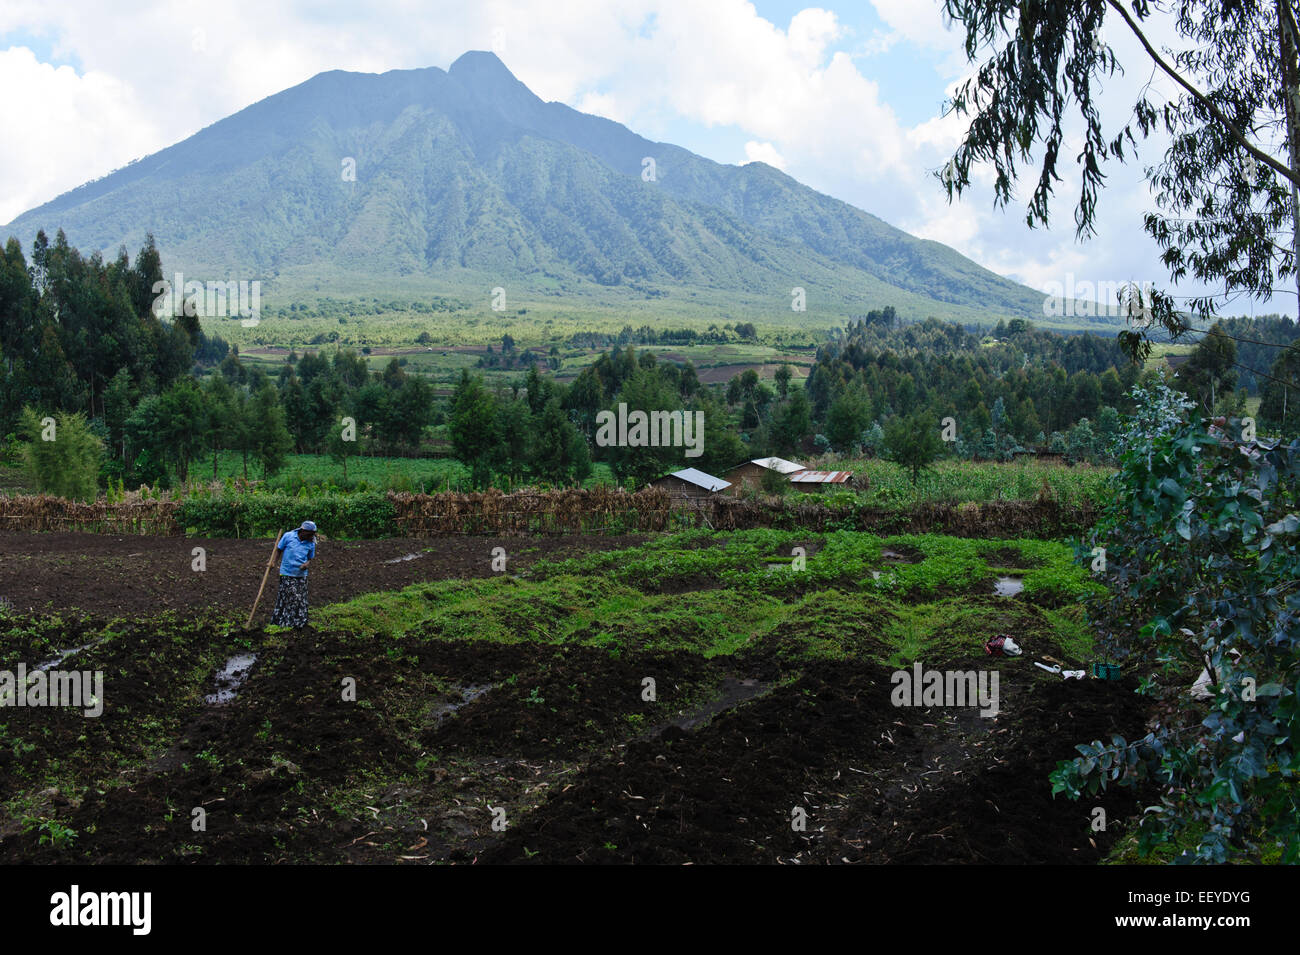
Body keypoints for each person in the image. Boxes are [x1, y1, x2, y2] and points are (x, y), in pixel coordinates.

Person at [269, 521, 317, 629]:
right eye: (309, 534)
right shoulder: (288, 536)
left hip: (301, 575)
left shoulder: (311, 543)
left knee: (301, 599)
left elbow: (310, 558)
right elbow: (278, 550)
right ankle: (285, 622)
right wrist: (273, 562)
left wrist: (306, 564)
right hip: (287, 573)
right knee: (291, 597)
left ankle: (299, 623)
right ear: (302, 531)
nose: (311, 536)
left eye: (313, 534)